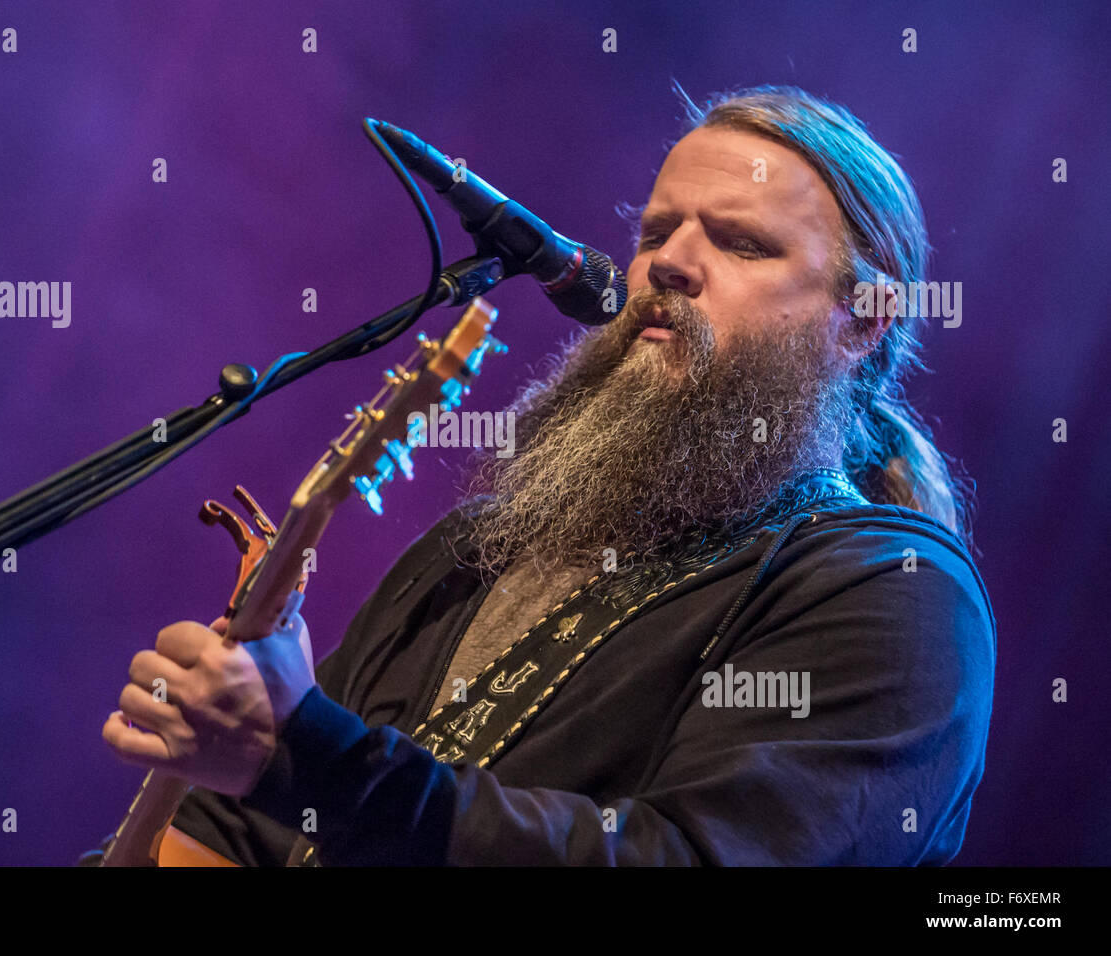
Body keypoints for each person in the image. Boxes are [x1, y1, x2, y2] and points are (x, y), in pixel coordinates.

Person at [99, 85, 995, 866]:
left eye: (743, 244)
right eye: (654, 232)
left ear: (862, 320)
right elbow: (243, 831)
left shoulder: (891, 594)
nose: (666, 264)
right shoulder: (478, 546)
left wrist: (303, 750)